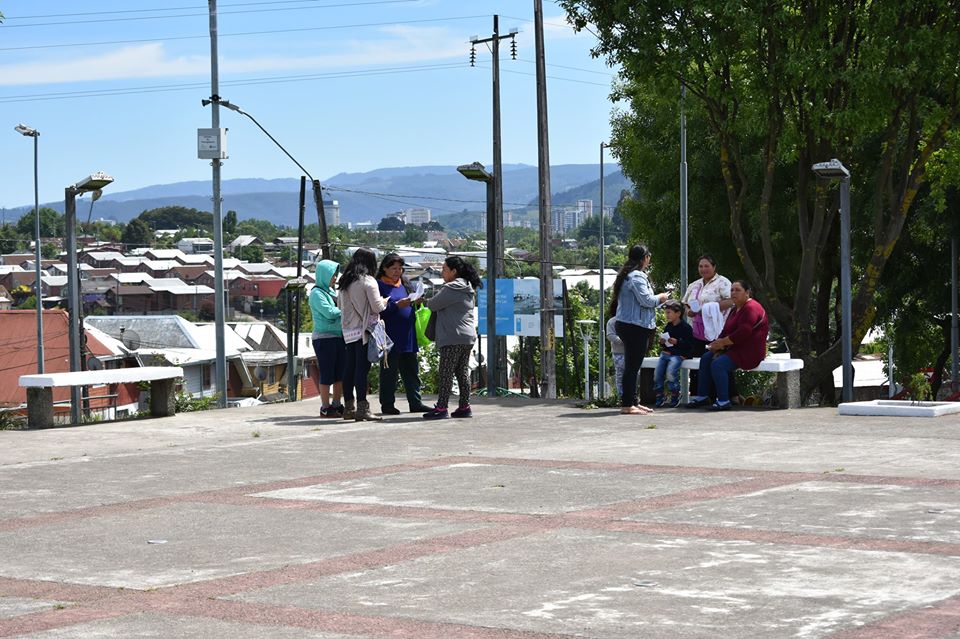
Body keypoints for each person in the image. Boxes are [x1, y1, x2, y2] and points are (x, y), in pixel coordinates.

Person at [686, 279, 769, 411]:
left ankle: (723, 400)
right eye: (732, 290)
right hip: (734, 348)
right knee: (706, 358)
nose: (733, 293)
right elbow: (726, 330)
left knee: (718, 364)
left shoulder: (752, 307)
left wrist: (722, 343)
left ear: (747, 293)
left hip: (749, 352)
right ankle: (702, 396)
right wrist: (716, 344)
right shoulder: (735, 309)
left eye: (738, 290)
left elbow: (744, 332)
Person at [609, 244, 670, 415]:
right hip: (634, 326)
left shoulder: (629, 274)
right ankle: (627, 404)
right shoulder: (636, 276)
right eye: (648, 256)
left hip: (630, 325)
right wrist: (661, 297)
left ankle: (633, 402)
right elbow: (647, 300)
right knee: (632, 367)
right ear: (645, 258)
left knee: (633, 366)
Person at [423, 255, 481, 420]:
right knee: (462, 372)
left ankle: (442, 408)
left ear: (454, 271)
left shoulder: (452, 288)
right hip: (467, 336)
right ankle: (464, 407)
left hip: (452, 336)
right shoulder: (468, 287)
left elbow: (432, 304)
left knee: (446, 373)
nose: (442, 273)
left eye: (444, 269)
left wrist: (425, 299)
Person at [338, 248, 389, 422]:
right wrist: (385, 301)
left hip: (348, 331)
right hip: (364, 331)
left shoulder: (345, 281)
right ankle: (362, 408)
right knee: (362, 369)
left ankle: (349, 408)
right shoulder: (368, 281)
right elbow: (377, 307)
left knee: (349, 368)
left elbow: (340, 306)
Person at [375, 253, 429, 415]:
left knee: (411, 370)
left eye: (400, 268)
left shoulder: (404, 283)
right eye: (393, 268)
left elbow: (409, 304)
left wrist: (415, 301)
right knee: (389, 372)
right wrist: (397, 305)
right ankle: (387, 404)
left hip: (408, 335)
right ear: (384, 269)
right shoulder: (378, 286)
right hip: (389, 335)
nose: (397, 272)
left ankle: (415, 402)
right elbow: (378, 310)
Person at [309, 259, 345, 418]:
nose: (335, 278)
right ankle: (325, 406)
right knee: (327, 373)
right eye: (332, 274)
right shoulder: (316, 293)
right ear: (323, 275)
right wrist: (346, 310)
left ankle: (336, 404)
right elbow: (329, 313)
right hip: (324, 338)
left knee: (339, 373)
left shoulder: (331, 292)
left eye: (336, 274)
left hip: (338, 336)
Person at [680, 255, 733, 355]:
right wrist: (688, 311)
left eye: (706, 266)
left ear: (714, 267)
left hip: (717, 332)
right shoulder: (694, 285)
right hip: (695, 332)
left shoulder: (723, 282)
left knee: (712, 360)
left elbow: (731, 301)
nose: (703, 269)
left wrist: (707, 309)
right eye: (701, 266)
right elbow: (684, 303)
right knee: (696, 361)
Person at [653, 300, 694, 408]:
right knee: (657, 374)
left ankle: (675, 393)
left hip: (677, 355)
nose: (666, 315)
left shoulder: (686, 328)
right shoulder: (668, 326)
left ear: (678, 313)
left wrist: (678, 342)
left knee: (671, 373)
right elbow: (666, 342)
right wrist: (662, 342)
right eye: (666, 313)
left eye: (669, 312)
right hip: (666, 353)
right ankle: (659, 395)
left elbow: (690, 345)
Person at [605, 316, 625, 398]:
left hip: (633, 352)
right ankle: (621, 396)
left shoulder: (633, 319)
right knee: (620, 375)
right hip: (619, 353)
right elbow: (610, 335)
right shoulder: (613, 321)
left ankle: (632, 396)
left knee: (635, 374)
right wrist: (623, 340)